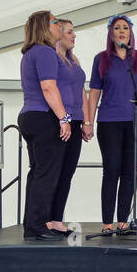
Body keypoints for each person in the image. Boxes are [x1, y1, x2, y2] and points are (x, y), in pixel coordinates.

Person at [87, 15, 137, 233]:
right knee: (111, 169)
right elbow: (94, 94)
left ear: (130, 32)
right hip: (110, 121)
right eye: (117, 28)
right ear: (110, 33)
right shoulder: (101, 59)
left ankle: (123, 221)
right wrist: (88, 122)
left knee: (130, 170)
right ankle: (108, 222)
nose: (121, 31)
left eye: (125, 28)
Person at [16, 10, 71, 242]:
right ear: (45, 27)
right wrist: (64, 118)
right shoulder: (46, 52)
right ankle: (38, 226)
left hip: (28, 116)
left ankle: (32, 226)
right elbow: (49, 87)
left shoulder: (29, 53)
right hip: (43, 116)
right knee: (47, 174)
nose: (58, 25)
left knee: (37, 173)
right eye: (55, 22)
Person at [49, 18, 87, 235]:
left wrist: (87, 120)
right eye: (70, 32)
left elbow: (82, 90)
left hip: (76, 119)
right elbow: (49, 88)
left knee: (67, 172)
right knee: (55, 170)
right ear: (59, 34)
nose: (74, 36)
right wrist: (62, 118)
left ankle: (57, 218)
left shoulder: (74, 60)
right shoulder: (52, 58)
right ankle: (47, 218)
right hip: (60, 119)